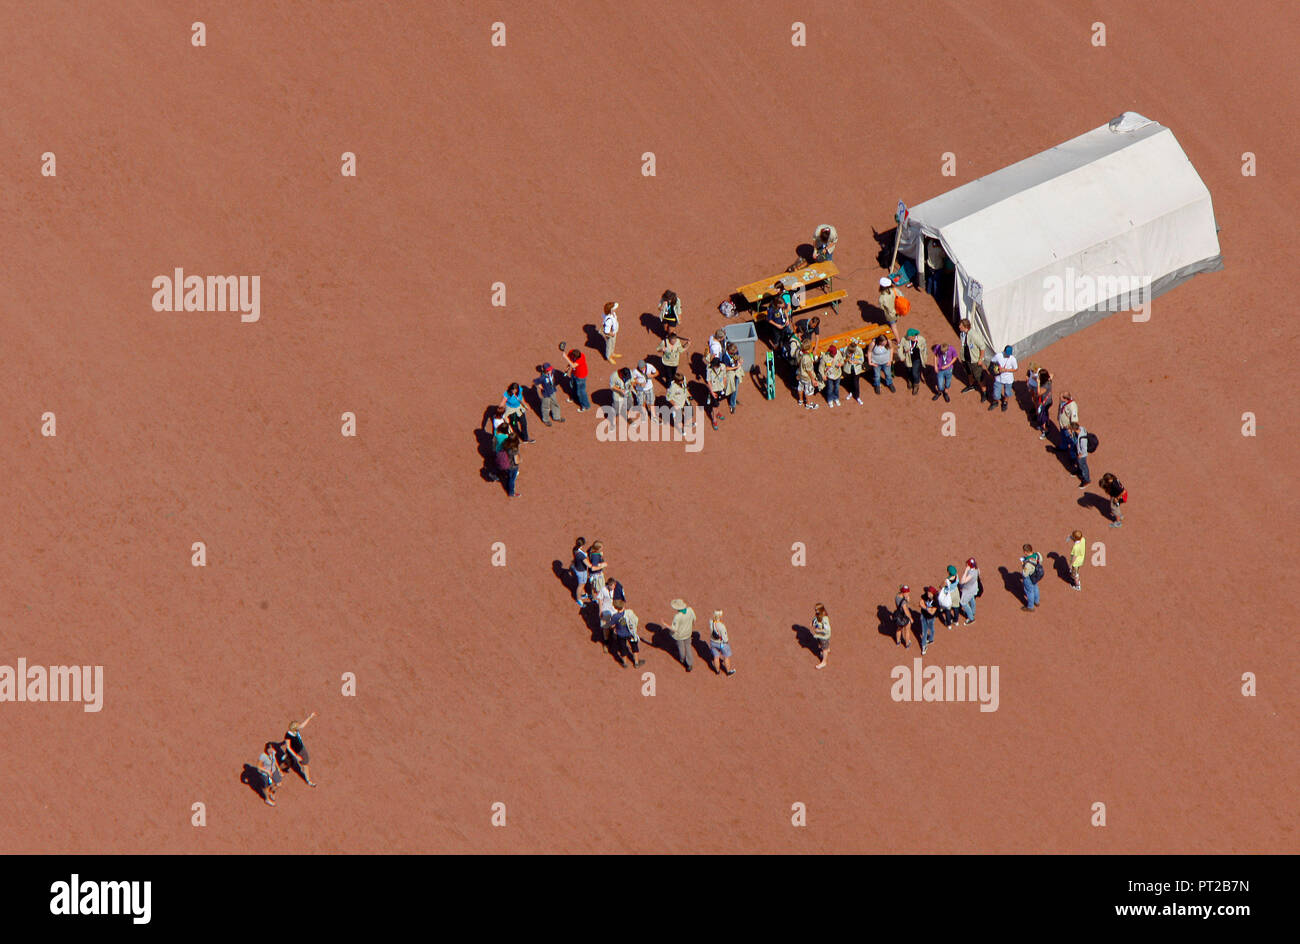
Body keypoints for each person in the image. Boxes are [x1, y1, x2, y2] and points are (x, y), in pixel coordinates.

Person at [283, 714, 317, 787]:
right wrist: (296, 756)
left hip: (301, 750)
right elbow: (288, 747)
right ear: (294, 728)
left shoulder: (296, 731)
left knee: (305, 764)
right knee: (287, 764)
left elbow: (302, 726)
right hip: (294, 752)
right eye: (297, 726)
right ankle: (279, 770)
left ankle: (308, 780)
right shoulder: (288, 735)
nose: (299, 727)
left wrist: (310, 717)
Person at [957, 319, 987, 399]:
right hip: (965, 358)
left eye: (961, 326)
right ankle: (971, 386)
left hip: (974, 360)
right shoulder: (962, 334)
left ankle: (984, 393)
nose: (959, 327)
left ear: (965, 327)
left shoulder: (974, 335)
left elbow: (982, 347)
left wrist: (980, 359)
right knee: (969, 373)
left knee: (979, 377)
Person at [611, 600, 645, 667]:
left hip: (621, 635)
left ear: (615, 607)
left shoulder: (615, 616)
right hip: (630, 633)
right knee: (634, 647)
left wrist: (615, 628)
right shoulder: (629, 612)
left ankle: (625, 663)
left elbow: (612, 625)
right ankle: (636, 663)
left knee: (623, 648)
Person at [669, 599, 697, 672]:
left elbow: (674, 629)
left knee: (681, 648)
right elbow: (694, 619)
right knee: (688, 648)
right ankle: (690, 664)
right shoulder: (690, 610)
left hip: (679, 636)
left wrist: (666, 625)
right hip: (688, 633)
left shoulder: (677, 616)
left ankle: (682, 659)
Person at [899, 327, 928, 396]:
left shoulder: (921, 339)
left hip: (917, 359)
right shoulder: (904, 339)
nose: (908, 337)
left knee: (915, 372)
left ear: (914, 336)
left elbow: (925, 349)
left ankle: (916, 385)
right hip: (908, 358)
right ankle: (909, 380)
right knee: (909, 370)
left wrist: (924, 358)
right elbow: (899, 348)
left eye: (909, 336)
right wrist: (902, 356)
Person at [989, 345, 1017, 413]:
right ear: (1004, 351)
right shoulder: (998, 355)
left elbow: (1015, 369)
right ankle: (995, 402)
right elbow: (992, 362)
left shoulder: (1013, 359)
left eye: (1009, 354)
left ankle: (1005, 402)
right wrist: (998, 368)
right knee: (996, 393)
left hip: (1008, 379)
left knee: (1007, 392)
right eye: (1007, 354)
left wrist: (1006, 370)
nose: (1008, 355)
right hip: (999, 378)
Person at [708, 610, 736, 676]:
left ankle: (717, 671)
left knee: (716, 657)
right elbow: (725, 638)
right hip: (721, 643)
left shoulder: (711, 622)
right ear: (720, 616)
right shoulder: (722, 626)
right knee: (726, 657)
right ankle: (728, 672)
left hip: (713, 642)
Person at [564, 347, 591, 412]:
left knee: (581, 392)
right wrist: (567, 369)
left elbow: (573, 365)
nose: (575, 359)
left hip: (581, 376)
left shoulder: (582, 357)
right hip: (574, 374)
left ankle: (585, 406)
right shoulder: (571, 352)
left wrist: (565, 357)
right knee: (573, 386)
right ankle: (574, 397)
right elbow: (570, 361)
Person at [796, 342, 820, 411]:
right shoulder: (807, 358)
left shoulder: (800, 353)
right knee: (808, 391)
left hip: (801, 375)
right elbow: (809, 370)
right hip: (807, 377)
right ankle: (809, 404)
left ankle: (800, 401)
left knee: (800, 388)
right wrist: (813, 379)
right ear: (808, 349)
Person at [496, 433, 520, 498]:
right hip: (513, 466)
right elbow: (516, 461)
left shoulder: (505, 444)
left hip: (506, 463)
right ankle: (511, 492)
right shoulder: (515, 449)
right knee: (512, 479)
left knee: (509, 476)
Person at [1068, 421, 1092, 487]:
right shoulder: (1081, 428)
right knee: (1079, 464)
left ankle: (1087, 480)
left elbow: (1084, 450)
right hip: (1078, 451)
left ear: (1074, 429)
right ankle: (1078, 471)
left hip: (1082, 455)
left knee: (1083, 466)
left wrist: (1080, 455)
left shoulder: (1082, 439)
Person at [1019, 544, 1043, 612]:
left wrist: (1023, 564)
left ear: (1025, 552)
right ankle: (1037, 601)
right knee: (1035, 587)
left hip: (1029, 577)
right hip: (1036, 575)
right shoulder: (1038, 555)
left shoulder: (1028, 563)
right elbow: (1040, 562)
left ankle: (1030, 607)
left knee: (1030, 591)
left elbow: (1025, 574)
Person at [705, 357, 727, 430]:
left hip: (720, 389)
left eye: (714, 365)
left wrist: (724, 387)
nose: (713, 366)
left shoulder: (723, 367)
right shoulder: (709, 369)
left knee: (718, 402)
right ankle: (714, 419)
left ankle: (717, 413)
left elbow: (724, 377)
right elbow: (708, 381)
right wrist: (712, 392)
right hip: (714, 390)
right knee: (715, 404)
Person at [879, 277, 902, 343]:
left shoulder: (882, 297)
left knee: (893, 327)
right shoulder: (895, 290)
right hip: (897, 311)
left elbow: (882, 307)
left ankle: (898, 341)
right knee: (894, 322)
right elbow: (902, 296)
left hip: (890, 315)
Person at [1033, 368, 1054, 439]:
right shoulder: (1049, 381)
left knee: (1042, 417)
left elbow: (1039, 393)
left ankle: (1045, 430)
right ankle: (1047, 423)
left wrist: (1038, 383)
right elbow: (1051, 375)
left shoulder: (1045, 386)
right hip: (1048, 401)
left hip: (1044, 403)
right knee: (1045, 414)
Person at [723, 342, 743, 413]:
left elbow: (737, 357)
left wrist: (740, 360)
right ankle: (732, 404)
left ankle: (732, 400)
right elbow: (726, 368)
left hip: (736, 370)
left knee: (735, 388)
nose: (734, 353)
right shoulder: (725, 356)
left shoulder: (735, 351)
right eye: (732, 353)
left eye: (735, 352)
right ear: (728, 351)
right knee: (732, 388)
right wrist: (735, 367)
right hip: (729, 372)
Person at [958, 558, 980, 624]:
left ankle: (971, 618)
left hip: (968, 590)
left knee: (963, 603)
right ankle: (972, 612)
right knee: (972, 599)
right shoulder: (977, 569)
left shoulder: (971, 573)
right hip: (974, 587)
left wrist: (966, 571)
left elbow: (962, 581)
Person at [571, 537, 591, 605]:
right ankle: (578, 599)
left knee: (582, 584)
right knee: (580, 585)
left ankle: (583, 594)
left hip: (577, 568)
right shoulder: (581, 555)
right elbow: (589, 565)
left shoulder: (575, 549)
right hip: (581, 572)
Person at [918, 588, 938, 655]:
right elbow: (920, 603)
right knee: (924, 632)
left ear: (933, 594)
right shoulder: (925, 595)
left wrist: (925, 607)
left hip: (931, 618)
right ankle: (924, 647)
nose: (928, 594)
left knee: (931, 629)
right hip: (923, 616)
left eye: (930, 593)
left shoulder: (936, 601)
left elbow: (932, 612)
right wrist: (928, 608)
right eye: (928, 592)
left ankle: (931, 639)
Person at [811, 603, 831, 669]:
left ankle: (824, 662)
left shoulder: (825, 619)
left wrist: (819, 631)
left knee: (824, 649)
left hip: (824, 636)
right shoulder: (819, 615)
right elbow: (816, 620)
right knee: (822, 644)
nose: (815, 611)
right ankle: (827, 649)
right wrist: (813, 622)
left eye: (817, 610)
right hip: (820, 636)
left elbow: (827, 630)